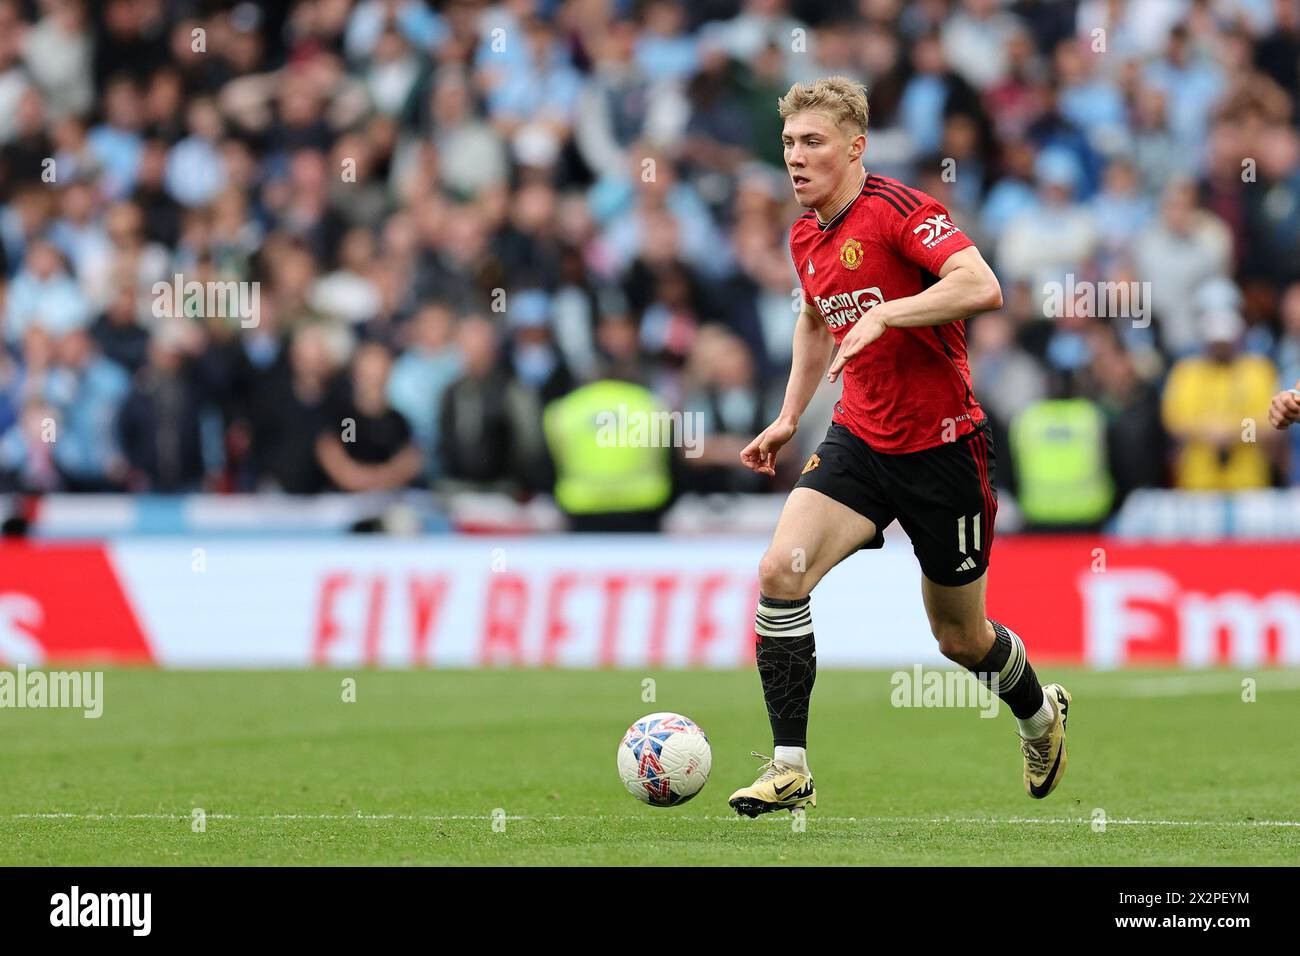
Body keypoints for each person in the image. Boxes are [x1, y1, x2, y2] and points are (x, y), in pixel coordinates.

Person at [727, 76, 1070, 818]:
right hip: (859, 437)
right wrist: (790, 416)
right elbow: (817, 321)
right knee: (780, 572)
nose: (795, 157)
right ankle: (791, 767)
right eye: (788, 143)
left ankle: (1040, 716)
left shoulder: (899, 211)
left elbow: (981, 285)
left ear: (856, 148)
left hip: (943, 449)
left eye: (812, 142)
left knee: (959, 637)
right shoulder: (804, 232)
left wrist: (892, 316)